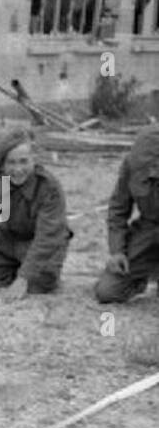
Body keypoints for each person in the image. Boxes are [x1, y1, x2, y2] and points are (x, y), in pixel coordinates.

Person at [0, 130, 72, 294]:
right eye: (11, 163)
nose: (17, 169)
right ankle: (14, 270)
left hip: (41, 244)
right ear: (2, 164)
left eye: (23, 162)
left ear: (34, 160)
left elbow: (47, 238)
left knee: (37, 286)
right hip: (8, 239)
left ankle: (24, 273)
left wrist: (24, 278)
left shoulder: (49, 188)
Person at [94, 125, 159, 304]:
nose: (150, 174)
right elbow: (118, 209)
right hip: (148, 231)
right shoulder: (132, 164)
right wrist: (117, 251)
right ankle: (141, 278)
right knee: (107, 292)